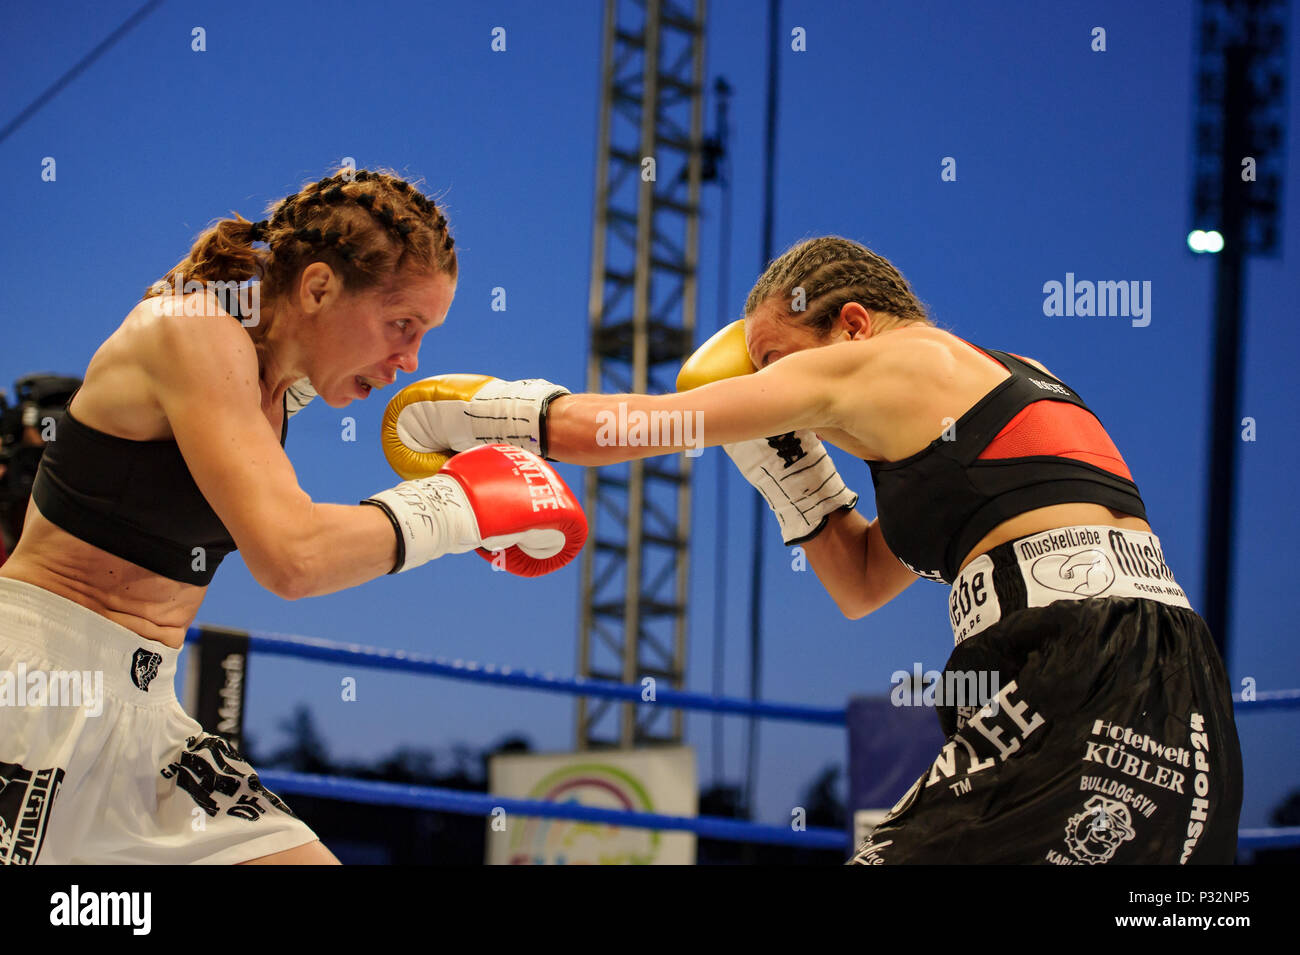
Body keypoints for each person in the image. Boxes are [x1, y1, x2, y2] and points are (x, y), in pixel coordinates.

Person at [380, 235, 1243, 864]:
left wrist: (471, 413)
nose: (768, 392)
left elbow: (632, 425)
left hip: (1081, 667)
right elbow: (863, 582)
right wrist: (782, 462)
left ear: (854, 324)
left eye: (774, 363)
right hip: (1171, 690)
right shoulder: (971, 398)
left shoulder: (890, 362)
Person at [0, 168, 586, 865]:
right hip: (35, 689)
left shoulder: (273, 387)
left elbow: (586, 422)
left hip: (146, 715)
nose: (409, 360)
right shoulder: (187, 330)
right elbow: (293, 556)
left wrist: (530, 416)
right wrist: (464, 503)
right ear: (316, 287)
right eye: (402, 326)